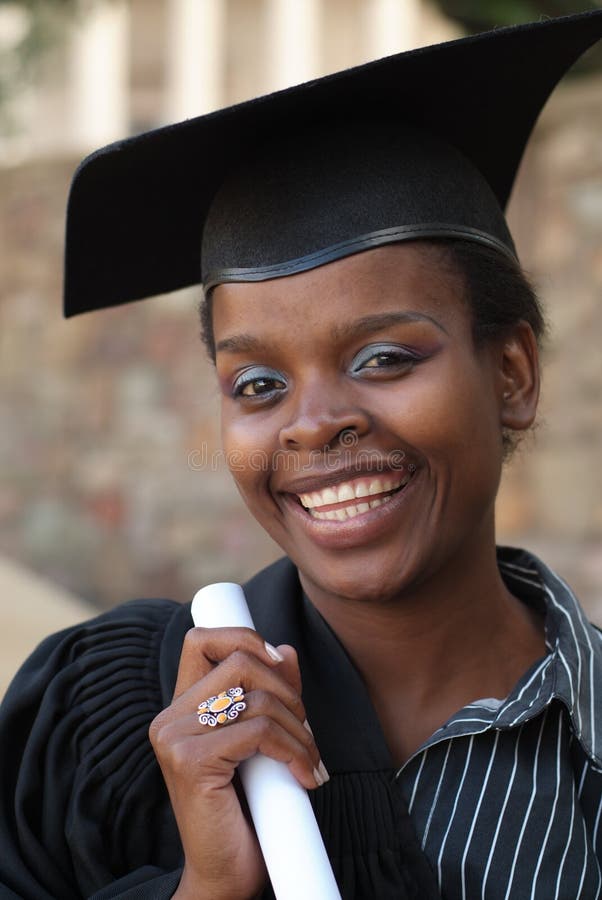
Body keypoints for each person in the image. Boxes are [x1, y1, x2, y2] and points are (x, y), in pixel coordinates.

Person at [1, 10, 602, 900]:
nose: (313, 424)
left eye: (384, 358)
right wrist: (206, 885)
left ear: (511, 372)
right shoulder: (116, 724)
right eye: (257, 386)